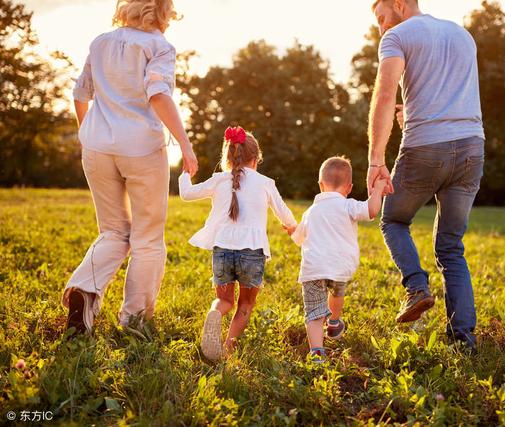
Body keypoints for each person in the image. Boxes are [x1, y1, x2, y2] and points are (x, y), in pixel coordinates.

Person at [63, 0, 198, 335]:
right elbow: (158, 94)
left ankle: (84, 289)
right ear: (164, 12)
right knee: (147, 237)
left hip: (97, 147)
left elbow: (81, 92)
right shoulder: (159, 46)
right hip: (141, 149)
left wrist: (86, 132)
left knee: (113, 232)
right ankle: (134, 320)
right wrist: (185, 143)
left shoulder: (100, 42)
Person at [368, 0, 485, 351]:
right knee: (451, 246)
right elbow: (448, 95)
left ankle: (416, 287)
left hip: (424, 149)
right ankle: (463, 338)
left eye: (380, 16)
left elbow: (385, 96)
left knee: (394, 220)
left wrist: (376, 160)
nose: (379, 26)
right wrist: (415, 113)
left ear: (400, 5)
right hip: (471, 148)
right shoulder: (463, 35)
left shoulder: (397, 37)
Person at [179, 126, 297, 360]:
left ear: (228, 157)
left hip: (222, 249)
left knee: (224, 300)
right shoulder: (265, 182)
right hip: (252, 252)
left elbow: (186, 194)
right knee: (245, 306)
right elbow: (284, 213)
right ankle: (228, 347)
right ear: (256, 159)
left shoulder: (219, 180)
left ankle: (215, 313)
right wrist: (292, 227)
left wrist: (185, 173)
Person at [291, 157, 386, 363]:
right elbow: (371, 210)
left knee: (314, 313)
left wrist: (292, 230)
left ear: (320, 185)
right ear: (349, 187)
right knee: (337, 292)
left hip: (314, 268)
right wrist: (377, 190)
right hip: (340, 266)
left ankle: (317, 352)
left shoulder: (310, 212)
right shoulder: (348, 205)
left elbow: (298, 238)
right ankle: (334, 322)